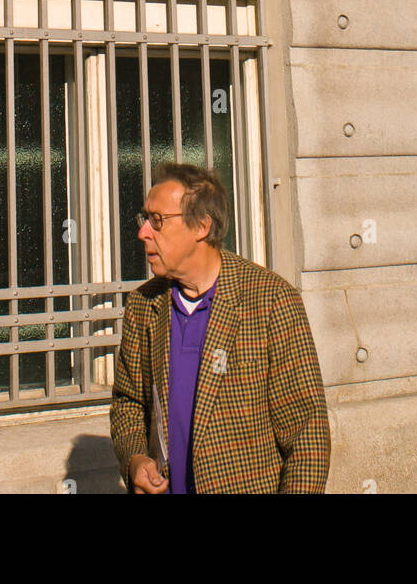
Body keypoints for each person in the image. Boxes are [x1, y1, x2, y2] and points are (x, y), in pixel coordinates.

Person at [109, 162, 330, 494]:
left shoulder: (270, 300)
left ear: (201, 226)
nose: (143, 232)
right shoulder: (144, 305)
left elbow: (307, 435)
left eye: (158, 220)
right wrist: (135, 459)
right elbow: (128, 402)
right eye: (145, 218)